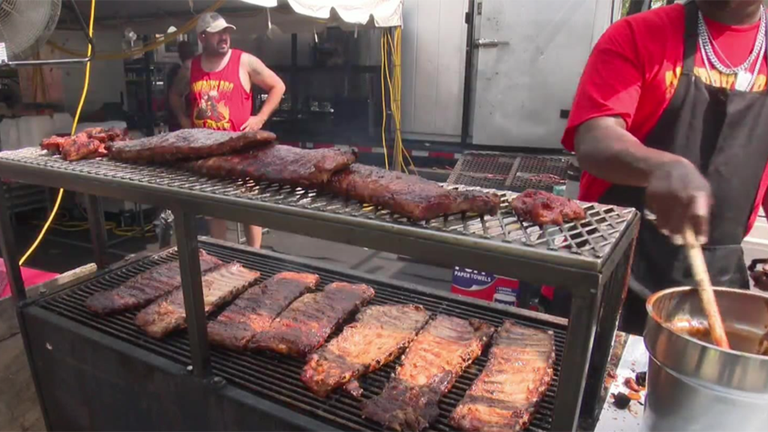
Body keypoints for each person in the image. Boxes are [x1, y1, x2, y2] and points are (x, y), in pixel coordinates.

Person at [563, 0, 768, 334]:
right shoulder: (637, 34)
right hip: (613, 271)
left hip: (718, 288)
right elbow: (595, 137)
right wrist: (659, 167)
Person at [170, 12, 286, 248]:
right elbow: (174, 94)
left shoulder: (244, 62)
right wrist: (183, 118)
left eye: (226, 32)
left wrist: (260, 117)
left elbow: (278, 86)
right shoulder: (191, 67)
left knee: (248, 208)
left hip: (241, 152)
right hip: (206, 152)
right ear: (202, 37)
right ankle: (220, 256)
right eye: (217, 33)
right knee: (214, 209)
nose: (224, 37)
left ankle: (254, 257)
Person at [166, 40, 196, 132]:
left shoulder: (188, 67)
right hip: (187, 118)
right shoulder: (186, 68)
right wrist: (183, 119)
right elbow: (174, 95)